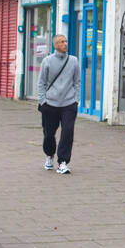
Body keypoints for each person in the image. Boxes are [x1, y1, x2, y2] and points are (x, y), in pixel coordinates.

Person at [37, 34, 80, 174]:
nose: (65, 44)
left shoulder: (73, 61)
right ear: (55, 45)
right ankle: (49, 155)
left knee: (67, 132)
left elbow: (77, 81)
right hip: (50, 104)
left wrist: (76, 99)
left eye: (66, 41)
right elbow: (41, 83)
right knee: (49, 133)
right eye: (62, 42)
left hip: (69, 103)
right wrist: (43, 101)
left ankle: (63, 162)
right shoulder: (47, 61)